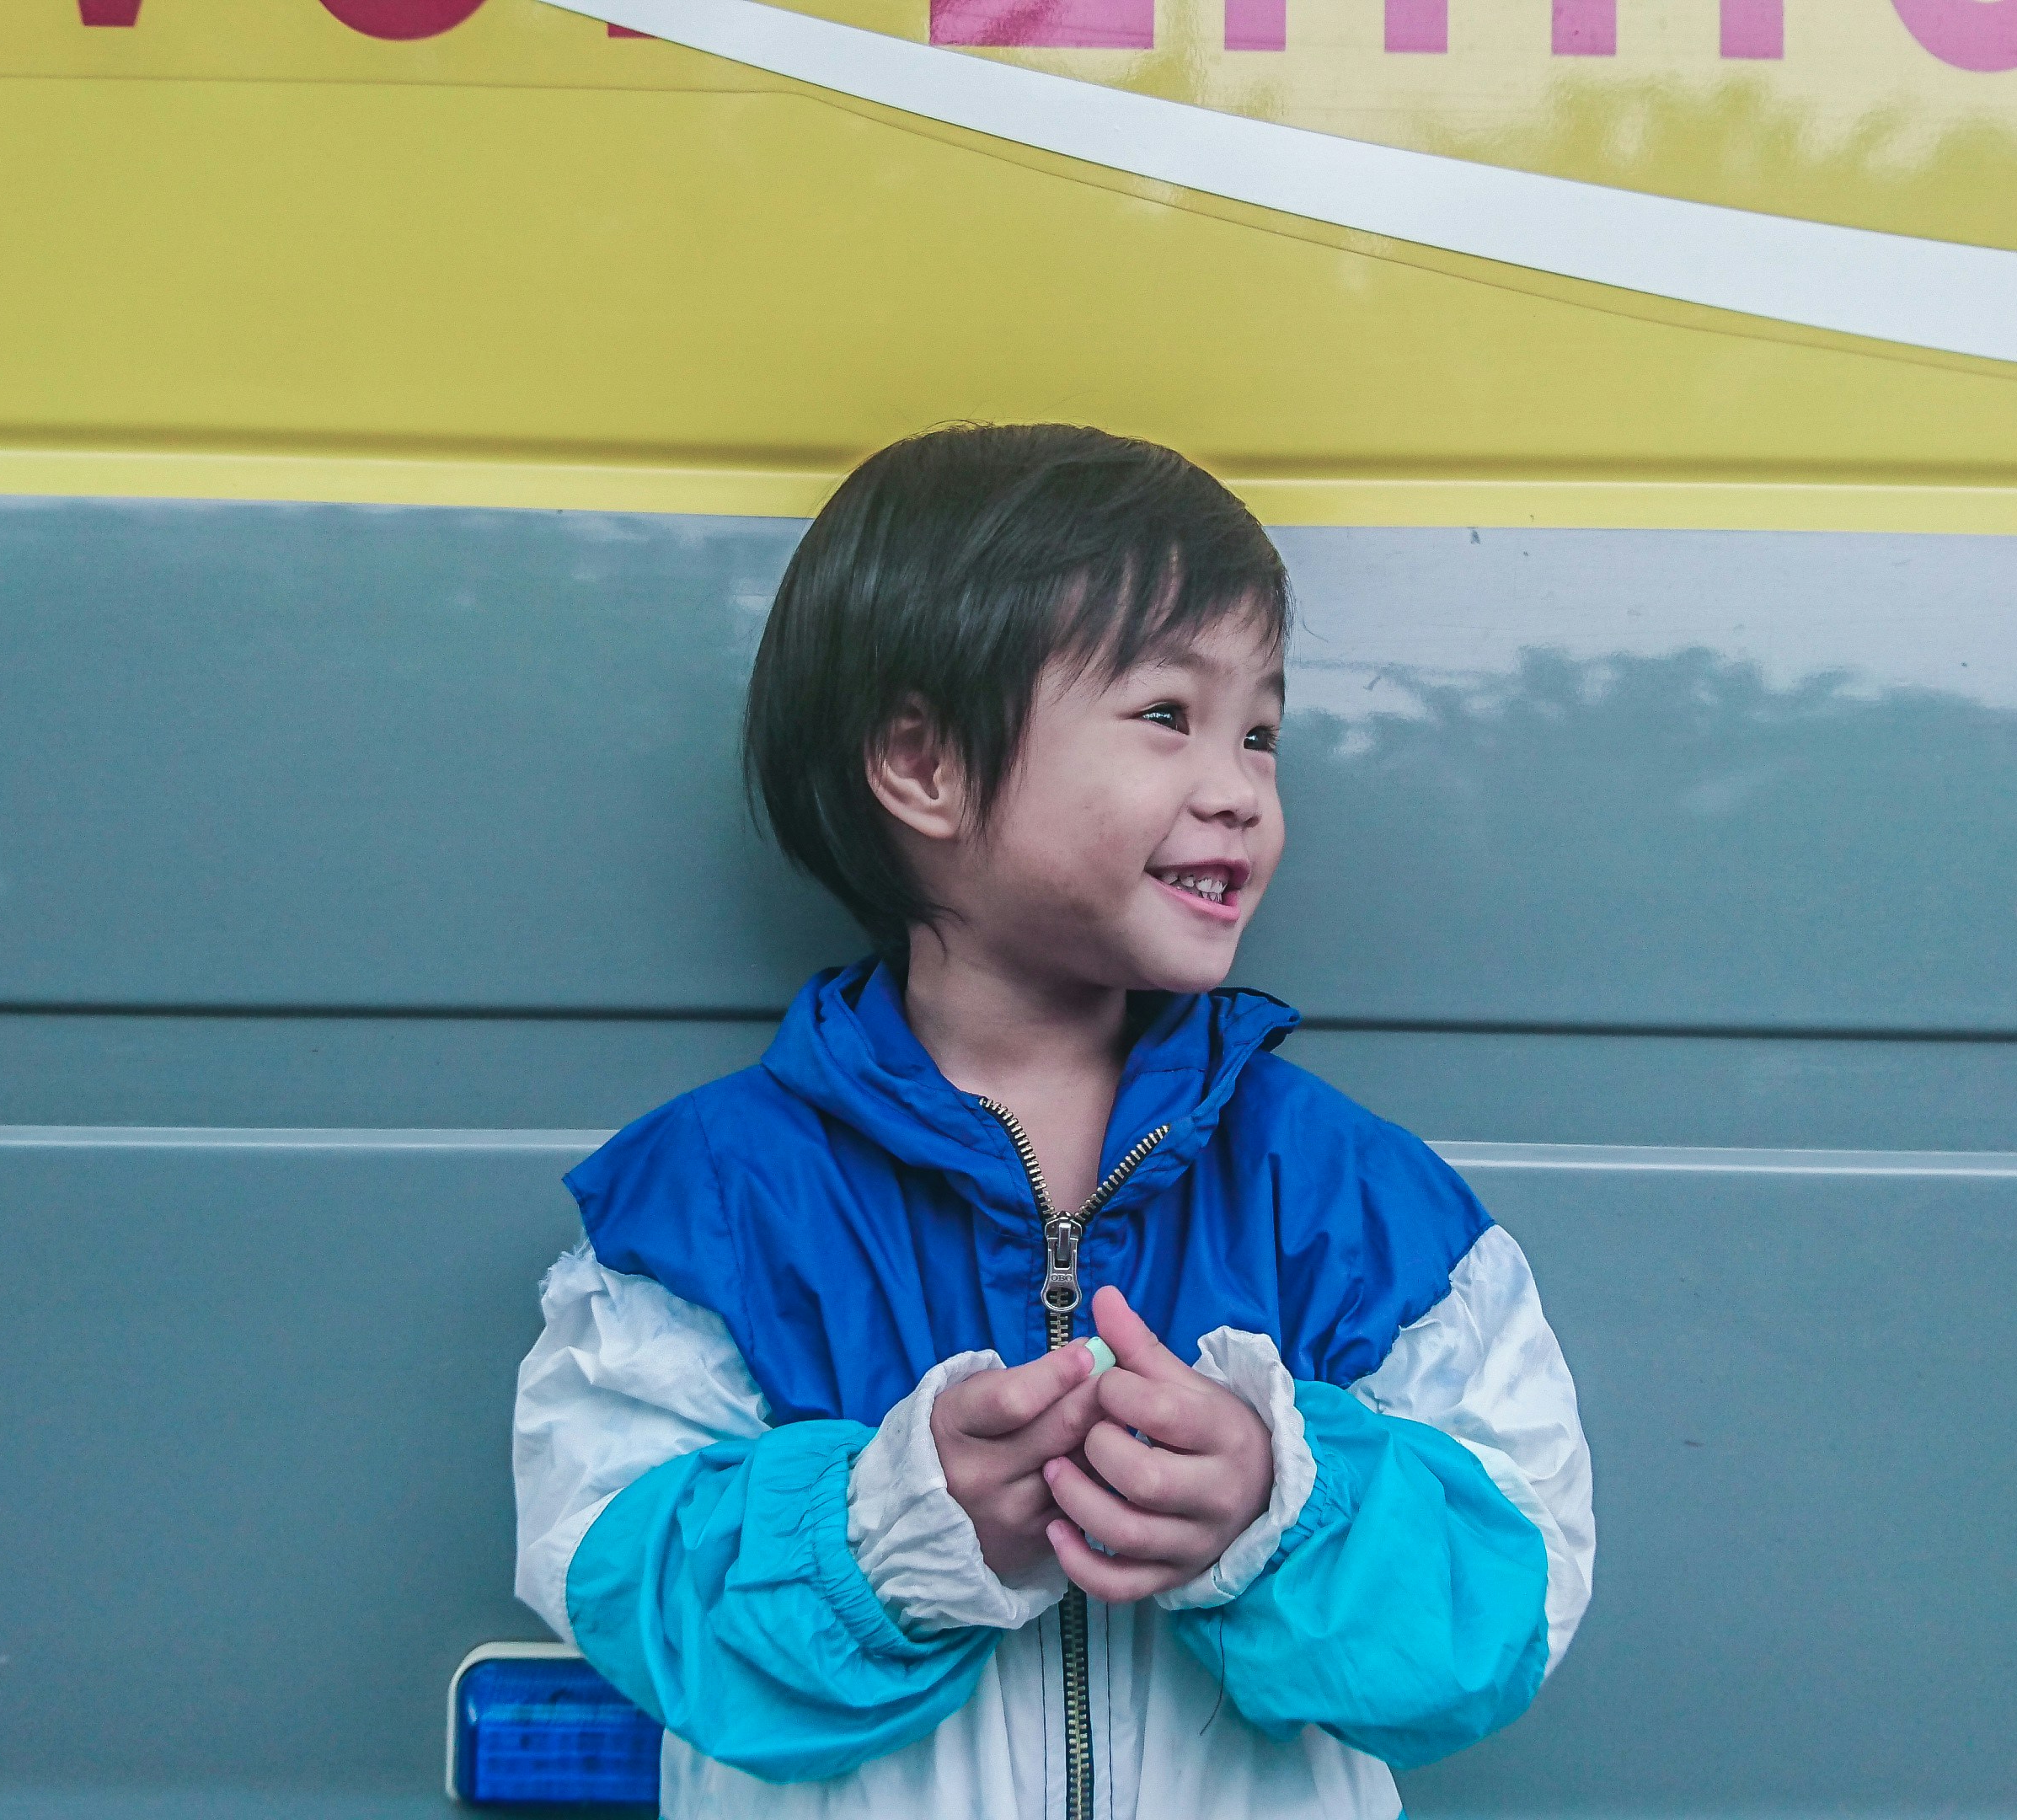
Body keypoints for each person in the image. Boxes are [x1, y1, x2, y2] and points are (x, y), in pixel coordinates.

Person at [510, 423, 1593, 1819]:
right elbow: (615, 1572)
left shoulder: (1350, 1195)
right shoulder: (717, 1198)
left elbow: (1516, 1595)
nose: (1238, 789)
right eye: (1168, 715)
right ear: (925, 765)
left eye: (1261, 732)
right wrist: (893, 1531)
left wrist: (1277, 1507)